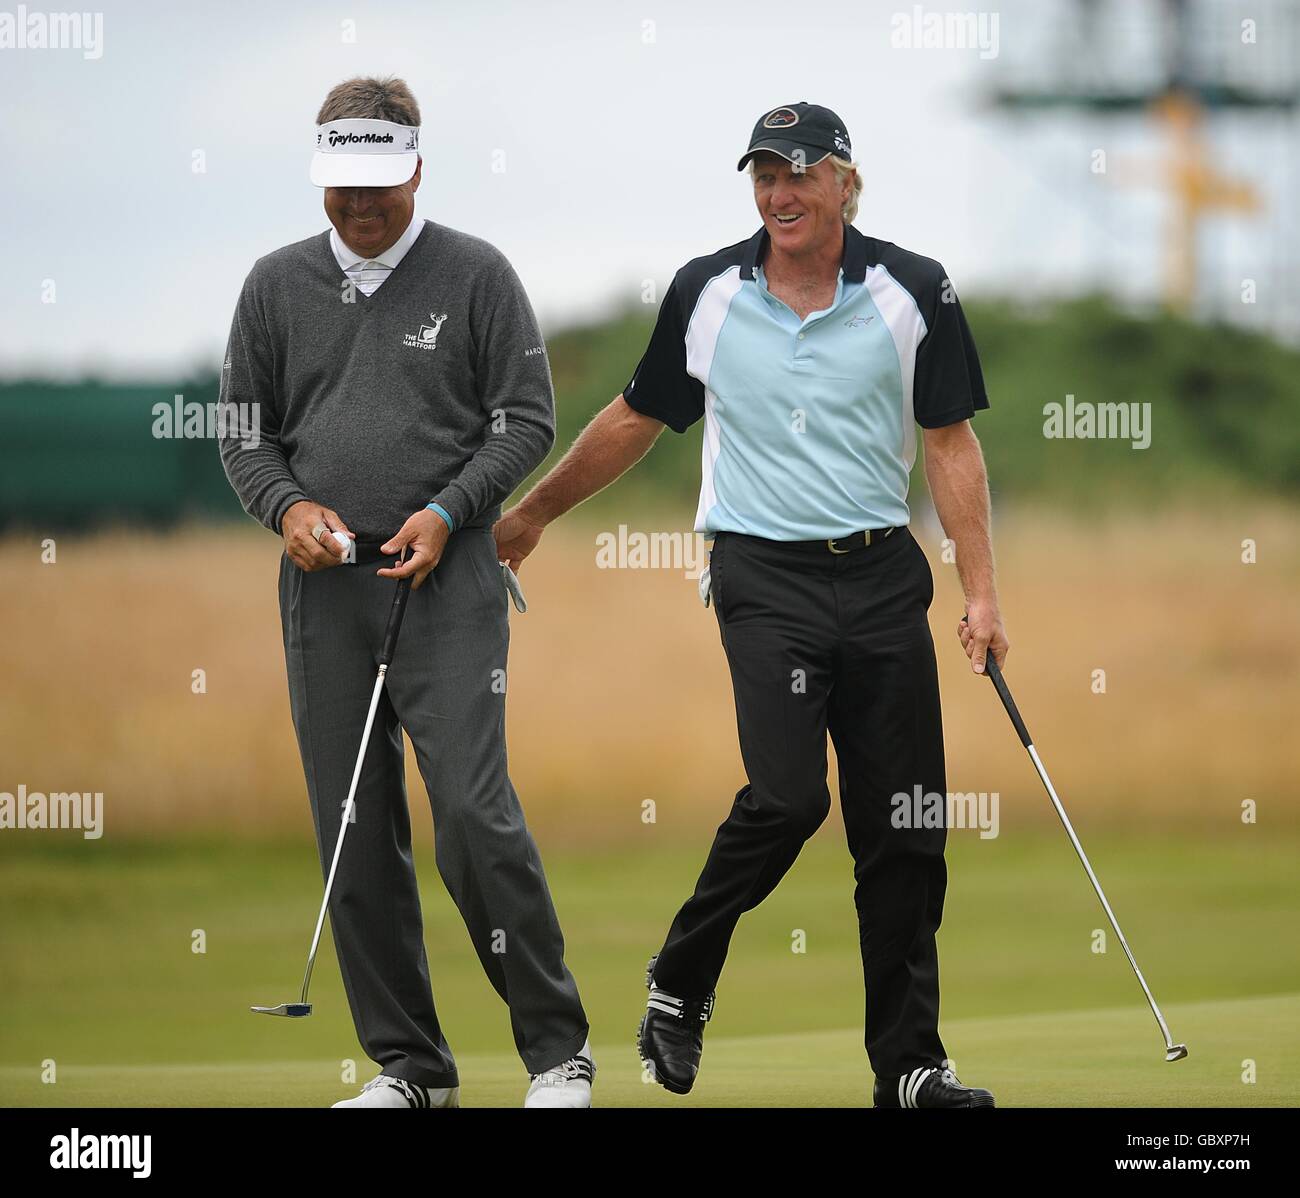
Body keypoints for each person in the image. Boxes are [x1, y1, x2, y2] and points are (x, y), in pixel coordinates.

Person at [494, 102, 1007, 1108]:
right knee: (788, 797)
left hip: (880, 576)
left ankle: (909, 1068)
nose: (779, 194)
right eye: (764, 176)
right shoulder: (708, 292)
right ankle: (682, 977)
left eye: (800, 175)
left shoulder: (915, 290)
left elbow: (948, 443)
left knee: (903, 829)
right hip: (761, 576)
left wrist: (981, 590)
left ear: (845, 183)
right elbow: (637, 416)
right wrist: (532, 513)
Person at [218, 75, 593, 1109]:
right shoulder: (271, 284)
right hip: (325, 580)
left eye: (378, 185)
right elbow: (245, 436)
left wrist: (449, 508)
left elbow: (525, 418)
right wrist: (288, 509)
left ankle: (558, 1053)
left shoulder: (475, 274)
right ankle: (411, 1069)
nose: (358, 205)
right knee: (353, 822)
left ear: (417, 168)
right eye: (340, 186)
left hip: (450, 572)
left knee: (473, 813)